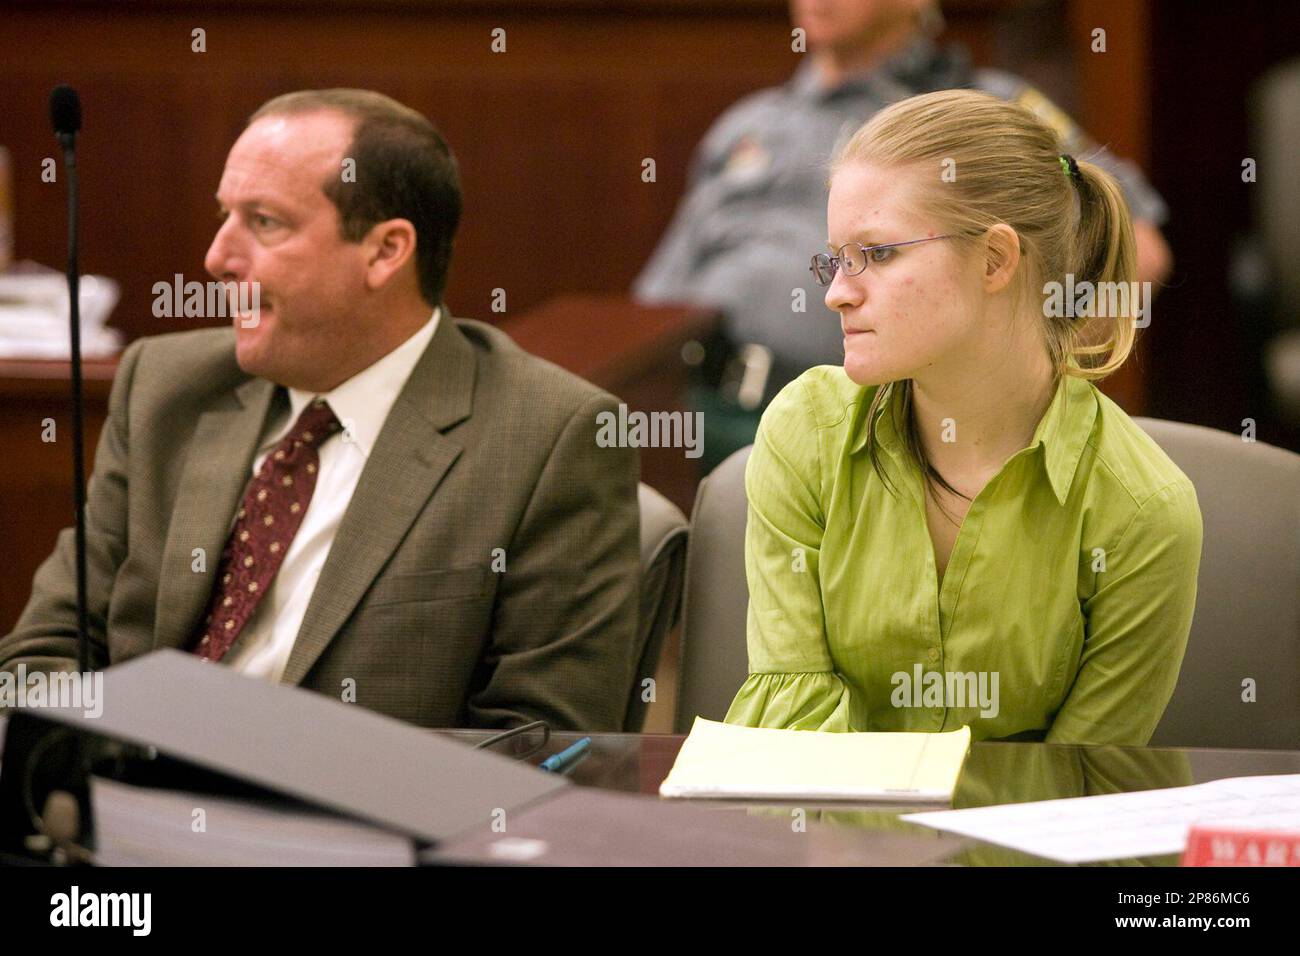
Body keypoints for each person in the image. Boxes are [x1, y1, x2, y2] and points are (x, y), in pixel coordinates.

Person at [0, 89, 641, 731]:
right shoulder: (166, 388)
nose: (217, 258)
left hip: (364, 825)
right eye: (224, 215)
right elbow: (43, 653)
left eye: (265, 222)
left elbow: (544, 743)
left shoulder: (547, 439)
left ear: (386, 251)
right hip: (125, 808)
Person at [723, 88, 1203, 746]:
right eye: (835, 257)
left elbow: (1082, 790)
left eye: (879, 253)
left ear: (997, 259)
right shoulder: (805, 431)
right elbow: (792, 737)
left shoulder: (1145, 512)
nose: (836, 292)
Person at [635, 0, 1174, 469]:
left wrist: (1012, 380)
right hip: (717, 415)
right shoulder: (747, 125)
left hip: (898, 429)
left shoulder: (981, 109)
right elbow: (655, 300)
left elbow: (1140, 252)